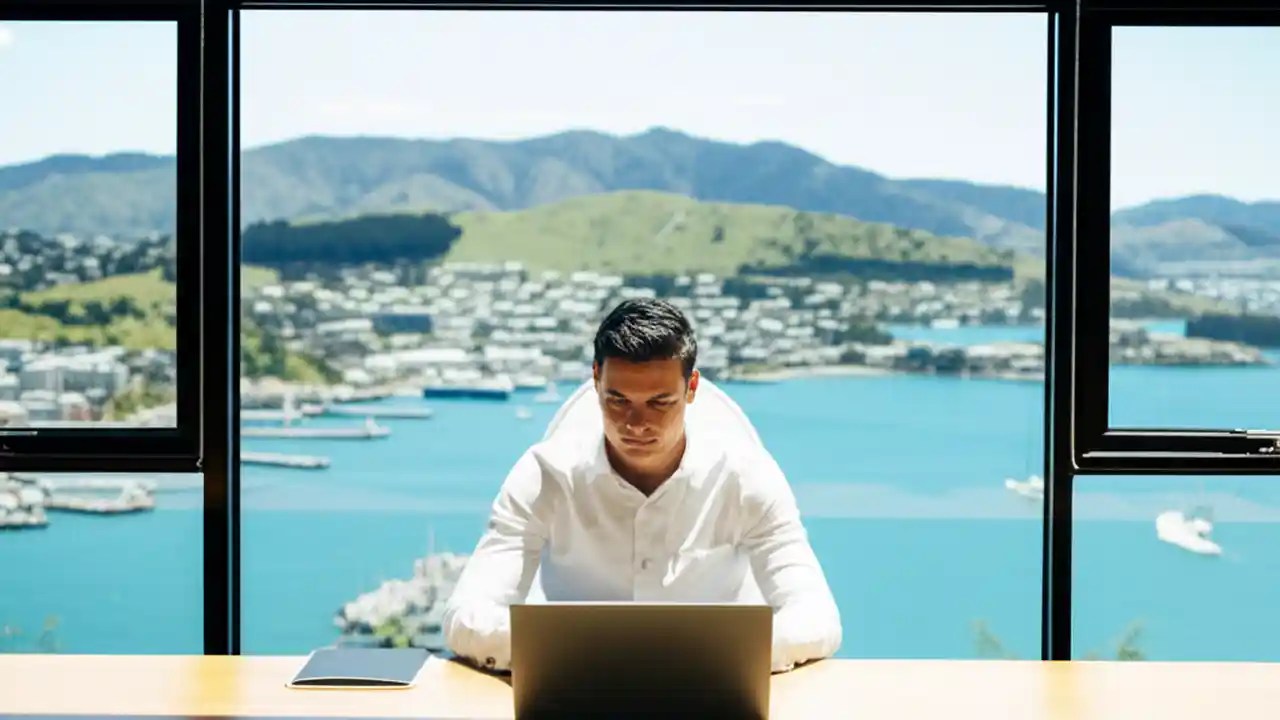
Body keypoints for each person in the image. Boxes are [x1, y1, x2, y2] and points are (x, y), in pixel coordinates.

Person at [443, 298, 842, 673]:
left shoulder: (746, 476)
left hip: (717, 696)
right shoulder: (545, 474)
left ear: (691, 389)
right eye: (618, 400)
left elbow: (816, 617)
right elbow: (465, 616)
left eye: (659, 403)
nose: (636, 423)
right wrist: (573, 654)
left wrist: (720, 658)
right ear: (596, 380)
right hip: (576, 694)